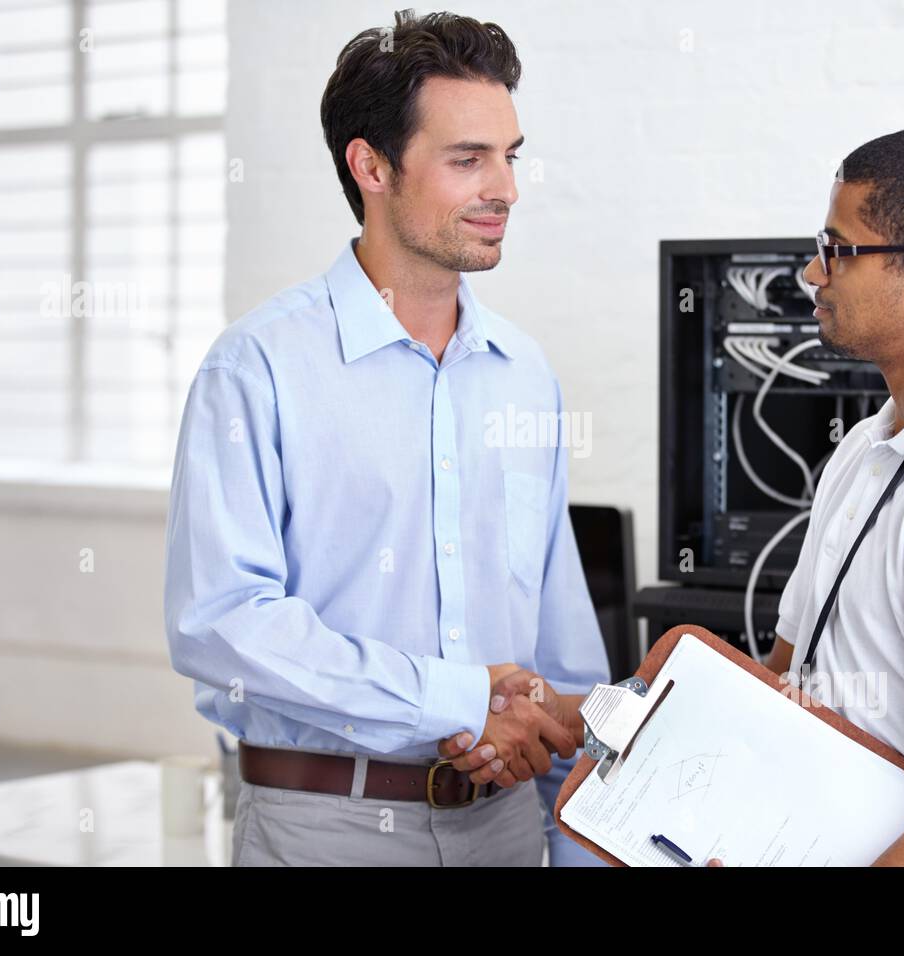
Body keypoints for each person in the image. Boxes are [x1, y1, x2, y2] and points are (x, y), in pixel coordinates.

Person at [460, 126, 904, 867]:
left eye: (838, 250)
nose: (812, 272)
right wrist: (573, 715)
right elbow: (782, 687)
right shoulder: (867, 450)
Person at [163, 10, 609, 867]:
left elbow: (557, 660)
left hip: (509, 829)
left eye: (509, 157)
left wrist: (574, 842)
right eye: (467, 159)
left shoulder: (526, 375)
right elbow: (220, 625)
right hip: (325, 830)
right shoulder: (257, 370)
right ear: (370, 165)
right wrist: (456, 701)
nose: (506, 189)